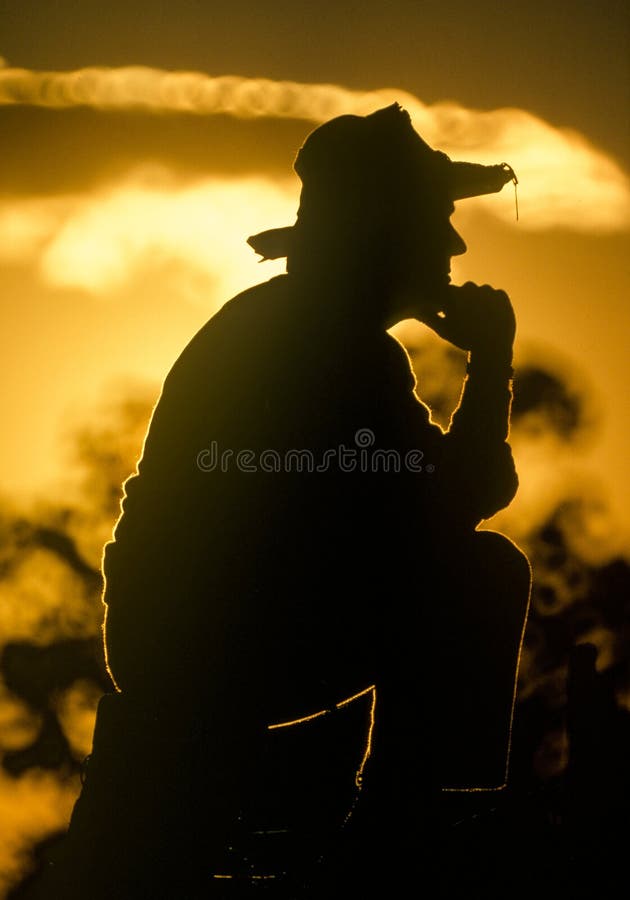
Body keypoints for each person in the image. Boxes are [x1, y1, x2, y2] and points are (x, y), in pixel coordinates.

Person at [19, 103, 531, 898]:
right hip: (216, 641)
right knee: (481, 575)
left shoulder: (310, 331)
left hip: (203, 634)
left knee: (464, 566)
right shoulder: (328, 345)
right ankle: (399, 834)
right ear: (385, 232)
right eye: (439, 219)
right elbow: (468, 496)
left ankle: (396, 823)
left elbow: (442, 500)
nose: (456, 245)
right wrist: (492, 359)